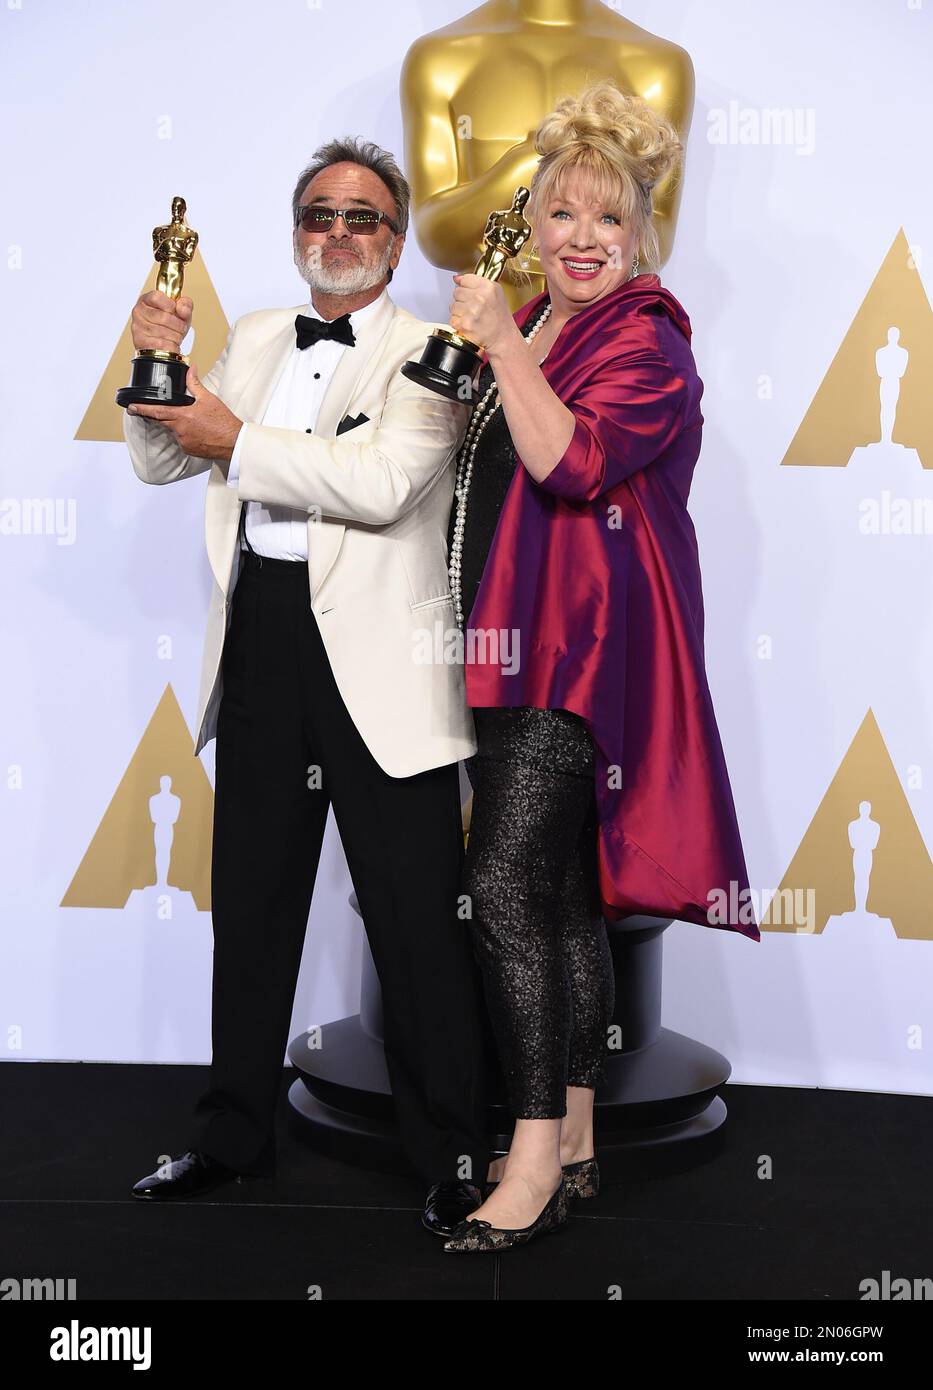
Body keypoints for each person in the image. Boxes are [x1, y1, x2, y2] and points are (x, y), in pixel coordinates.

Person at [122, 137, 492, 1238]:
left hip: (380, 655)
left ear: (393, 239)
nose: (338, 233)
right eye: (319, 214)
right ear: (297, 232)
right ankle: (232, 1136)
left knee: (418, 919)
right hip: (265, 640)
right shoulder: (252, 337)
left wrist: (235, 433)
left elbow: (381, 486)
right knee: (254, 905)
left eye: (363, 218)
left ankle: (453, 1154)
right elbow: (159, 462)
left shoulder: (442, 346)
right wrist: (150, 362)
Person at [440, 81, 760, 1254]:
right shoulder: (550, 327)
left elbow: (570, 462)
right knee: (562, 896)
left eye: (606, 220)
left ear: (641, 235)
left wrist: (496, 345)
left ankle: (523, 1160)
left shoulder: (648, 338)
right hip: (516, 642)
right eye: (560, 215)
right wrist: (497, 345)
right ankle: (573, 1134)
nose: (579, 240)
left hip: (581, 657)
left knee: (508, 894)